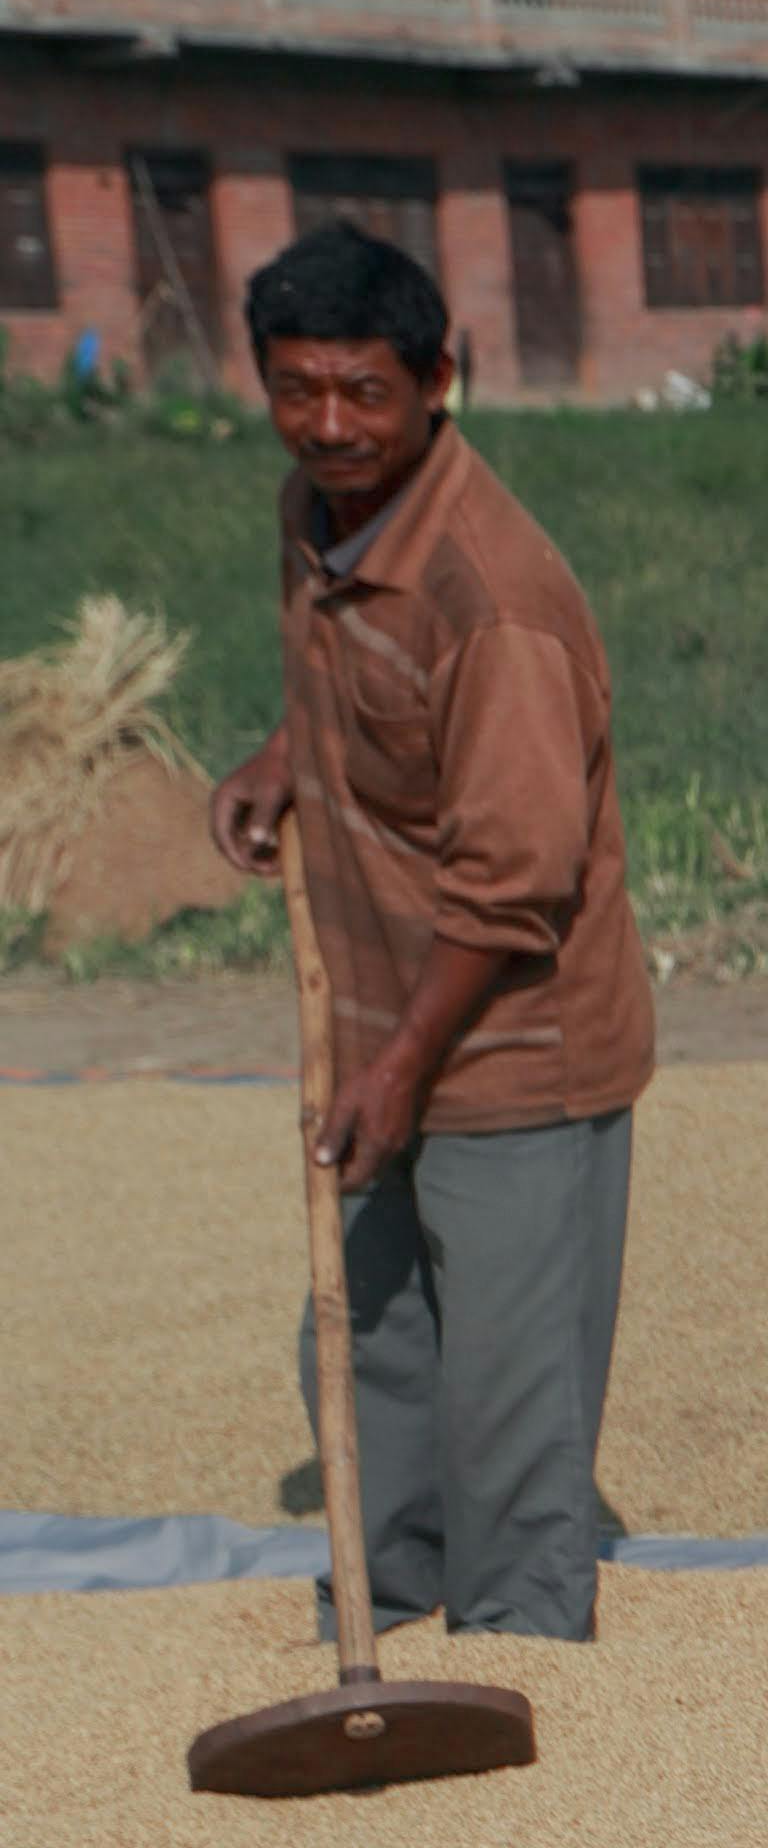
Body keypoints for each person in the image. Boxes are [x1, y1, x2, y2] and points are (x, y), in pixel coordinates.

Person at [203, 226, 652, 1642]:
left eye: (363, 393)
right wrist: (290, 753)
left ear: (436, 381)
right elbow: (362, 686)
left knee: (509, 1389)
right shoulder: (319, 512)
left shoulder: (490, 597)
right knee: (369, 1343)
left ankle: (521, 1652)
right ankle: (384, 1605)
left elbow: (516, 880)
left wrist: (402, 1068)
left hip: (510, 1049)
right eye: (297, 390)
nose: (329, 425)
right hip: (376, 1025)